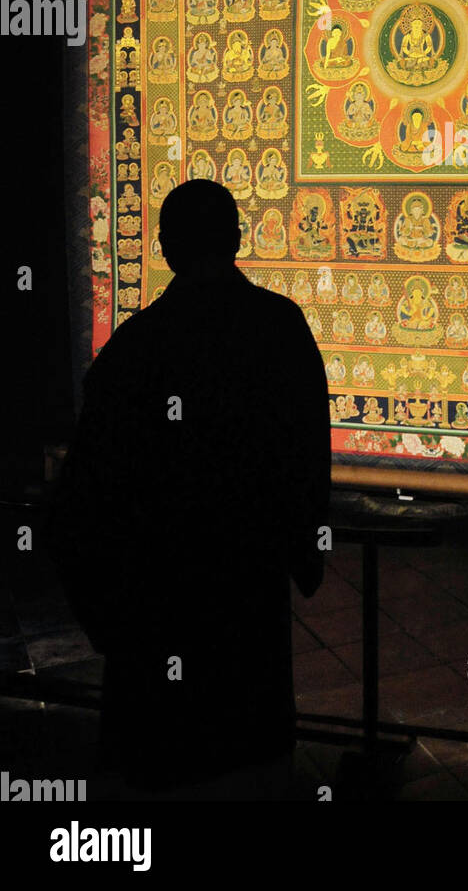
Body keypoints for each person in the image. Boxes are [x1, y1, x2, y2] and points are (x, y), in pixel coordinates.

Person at [46, 180, 331, 798]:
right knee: (248, 754)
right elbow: (307, 453)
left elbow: (83, 498)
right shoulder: (279, 328)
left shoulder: (134, 349)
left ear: (165, 249)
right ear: (237, 240)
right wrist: (303, 549)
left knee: (165, 762)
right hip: (246, 592)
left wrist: (107, 618)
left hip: (158, 599)